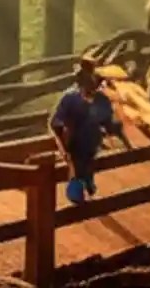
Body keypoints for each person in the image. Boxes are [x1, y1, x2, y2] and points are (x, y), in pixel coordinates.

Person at [49, 59, 125, 204]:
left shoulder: (101, 100)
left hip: (91, 144)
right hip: (75, 144)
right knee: (78, 179)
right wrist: (63, 147)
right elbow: (55, 124)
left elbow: (106, 123)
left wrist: (116, 130)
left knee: (86, 176)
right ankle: (79, 190)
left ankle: (85, 187)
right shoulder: (70, 98)